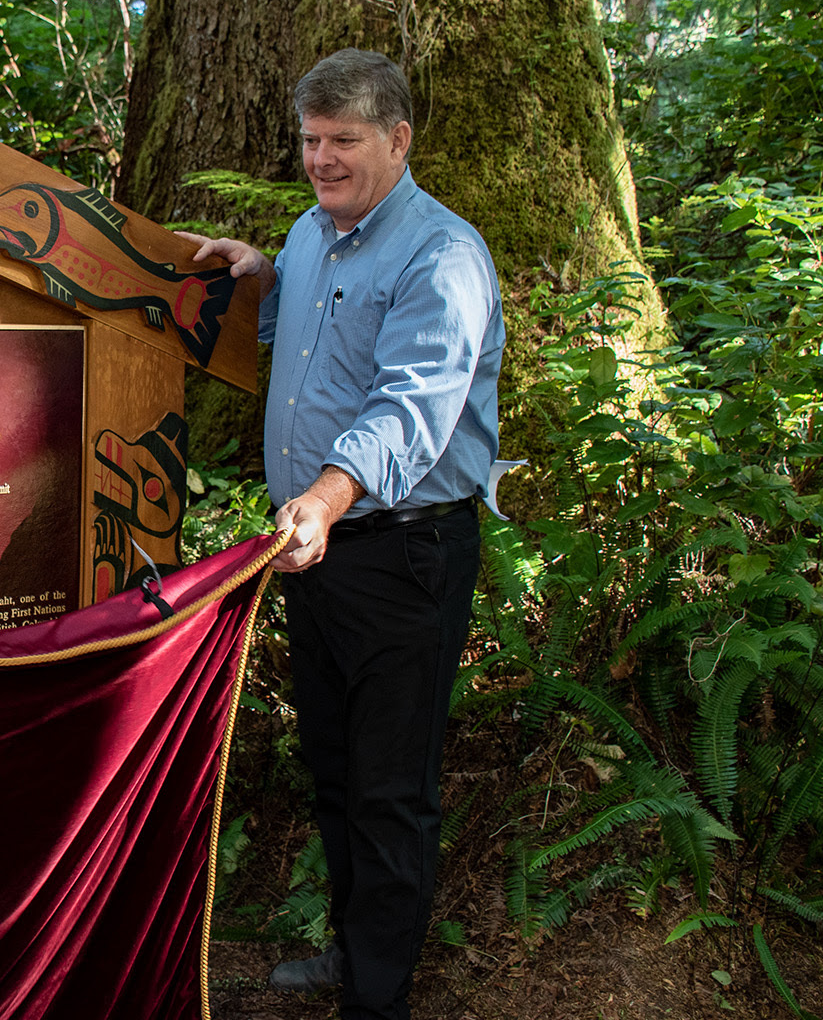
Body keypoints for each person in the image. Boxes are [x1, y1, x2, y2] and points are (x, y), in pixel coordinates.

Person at [183, 49, 503, 1020]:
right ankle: (354, 954)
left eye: (344, 141)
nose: (321, 159)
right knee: (333, 767)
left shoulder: (443, 257)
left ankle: (377, 1001)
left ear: (398, 140)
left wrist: (324, 498)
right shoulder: (312, 232)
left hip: (403, 553)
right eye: (311, 139)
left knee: (389, 789)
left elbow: (410, 407)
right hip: (317, 549)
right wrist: (261, 278)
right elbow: (307, 335)